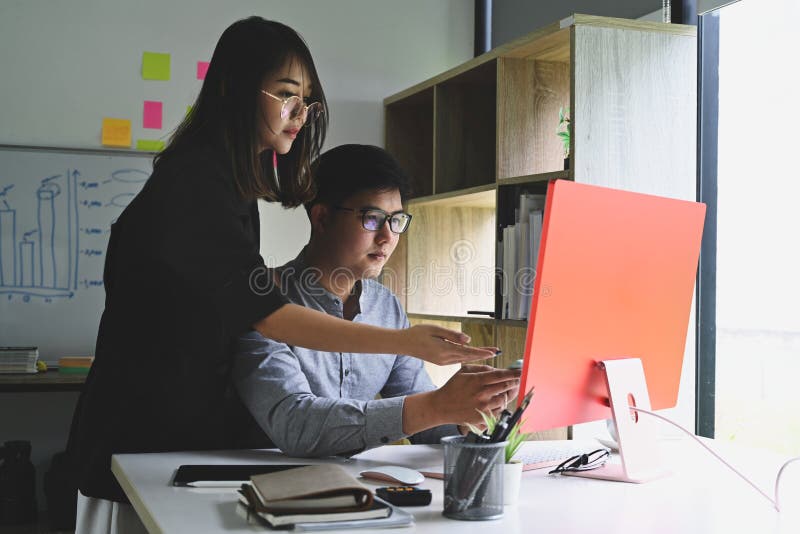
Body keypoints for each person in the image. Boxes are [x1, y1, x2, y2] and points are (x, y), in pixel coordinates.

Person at [66, 17, 495, 531]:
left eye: (308, 100)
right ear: (235, 89)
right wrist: (406, 342)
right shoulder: (196, 186)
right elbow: (267, 317)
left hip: (190, 451)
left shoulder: (231, 190)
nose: (301, 114)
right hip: (138, 445)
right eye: (287, 94)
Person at [232, 144, 520, 457]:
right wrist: (436, 406)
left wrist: (466, 412)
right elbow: (298, 425)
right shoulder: (262, 302)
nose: (387, 237)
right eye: (372, 218)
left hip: (358, 487)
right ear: (323, 218)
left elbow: (427, 419)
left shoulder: (387, 309)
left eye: (396, 220)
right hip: (257, 485)